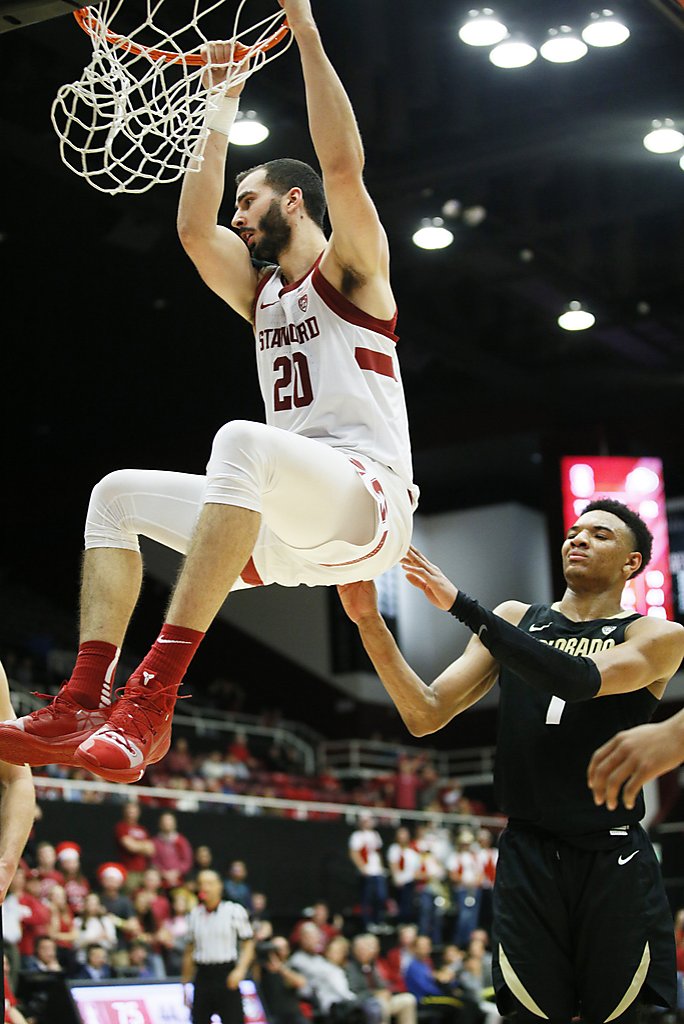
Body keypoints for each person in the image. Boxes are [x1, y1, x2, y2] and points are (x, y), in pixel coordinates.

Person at [0, 0, 418, 786]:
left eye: (249, 200)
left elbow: (342, 168)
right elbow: (195, 231)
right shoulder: (262, 295)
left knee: (241, 440)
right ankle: (84, 700)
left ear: (293, 201)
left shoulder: (353, 273)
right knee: (113, 497)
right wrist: (220, 98)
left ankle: (152, 699)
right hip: (286, 528)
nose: (237, 214)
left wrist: (306, 29)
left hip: (369, 503)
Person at [338, 498, 684, 1023]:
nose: (578, 539)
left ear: (631, 563)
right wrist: (368, 622)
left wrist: (462, 605)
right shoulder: (516, 619)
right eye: (573, 532)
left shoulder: (656, 635)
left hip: (610, 855)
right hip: (527, 851)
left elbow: (576, 679)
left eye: (600, 535)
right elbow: (424, 713)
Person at [182, 868, 255, 1024]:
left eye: (209, 883)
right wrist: (185, 984)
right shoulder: (193, 915)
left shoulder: (234, 911)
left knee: (233, 1020)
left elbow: (248, 944)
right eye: (201, 883)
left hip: (226, 973)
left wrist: (240, 970)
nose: (204, 887)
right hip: (202, 975)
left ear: (219, 886)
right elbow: (189, 951)